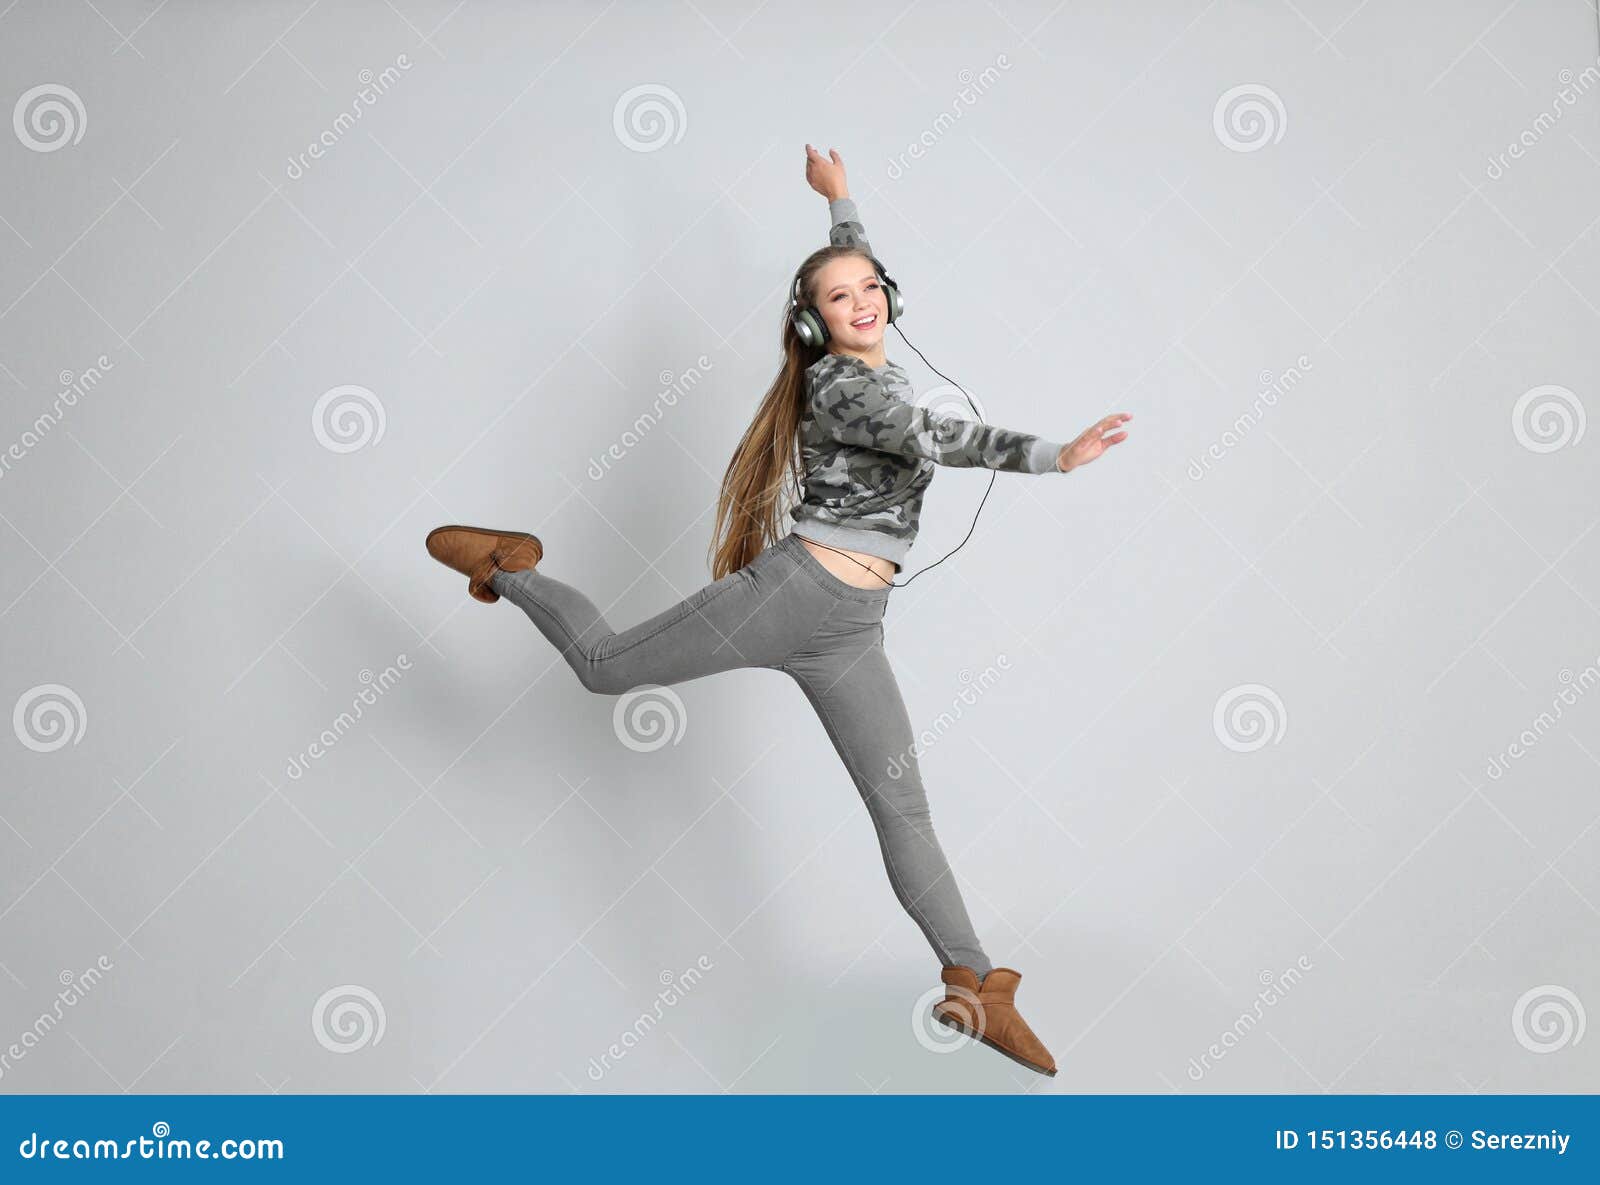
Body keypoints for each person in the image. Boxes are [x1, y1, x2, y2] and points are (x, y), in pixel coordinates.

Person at [425, 144, 1131, 1077]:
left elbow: (855, 265)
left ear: (892, 295)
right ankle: (511, 567)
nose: (862, 301)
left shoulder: (866, 330)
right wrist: (1054, 455)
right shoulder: (848, 386)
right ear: (814, 321)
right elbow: (936, 434)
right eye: (839, 298)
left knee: (901, 808)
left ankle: (974, 984)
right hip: (793, 594)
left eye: (870, 286)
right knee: (604, 668)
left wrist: (841, 204)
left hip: (849, 630)